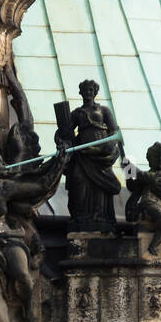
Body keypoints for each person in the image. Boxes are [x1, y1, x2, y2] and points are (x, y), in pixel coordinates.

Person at [58, 79, 121, 232]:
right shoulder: (77, 113)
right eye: (85, 90)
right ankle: (80, 216)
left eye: (90, 90)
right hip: (83, 154)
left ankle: (100, 216)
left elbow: (114, 131)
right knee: (79, 180)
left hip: (101, 153)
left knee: (99, 186)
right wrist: (64, 142)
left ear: (95, 93)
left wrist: (109, 146)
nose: (88, 93)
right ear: (80, 93)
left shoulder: (104, 110)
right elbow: (64, 133)